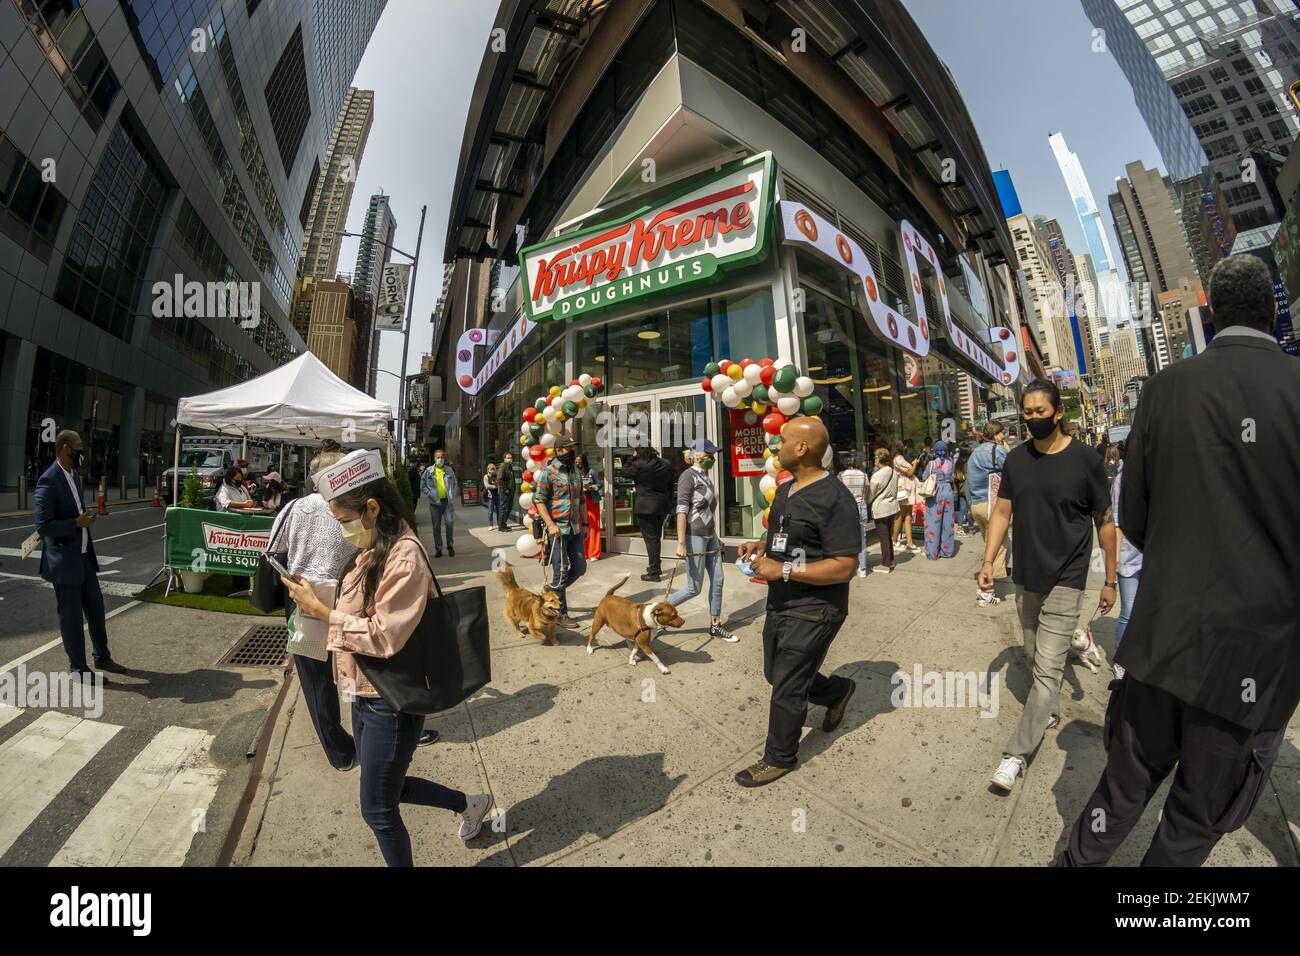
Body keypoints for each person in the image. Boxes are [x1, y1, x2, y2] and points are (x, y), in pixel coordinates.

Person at [1054, 255, 1300, 867]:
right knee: (1194, 820)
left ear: (1210, 313)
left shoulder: (1164, 389)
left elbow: (1131, 516)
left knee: (1122, 785)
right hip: (1258, 657)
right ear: (1274, 310)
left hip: (1165, 636)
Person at [282, 450, 491, 865]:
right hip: (365, 689)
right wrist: (318, 597)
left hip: (390, 700)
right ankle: (470, 803)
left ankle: (471, 804)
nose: (341, 529)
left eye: (342, 519)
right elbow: (361, 609)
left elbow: (383, 635)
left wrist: (325, 612)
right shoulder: (374, 546)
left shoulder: (404, 554)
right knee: (385, 790)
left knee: (377, 808)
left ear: (372, 508)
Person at [978, 379, 1117, 792]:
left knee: (1048, 667)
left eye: (1040, 411)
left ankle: (1015, 755)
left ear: (1058, 413)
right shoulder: (1016, 461)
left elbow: (1105, 522)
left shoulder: (1085, 461)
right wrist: (988, 562)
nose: (1032, 418)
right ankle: (1048, 707)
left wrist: (1110, 579)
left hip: (1068, 578)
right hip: (1027, 575)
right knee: (1033, 652)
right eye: (1027, 412)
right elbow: (1002, 512)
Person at [734, 417, 859, 787]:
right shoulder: (787, 489)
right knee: (775, 673)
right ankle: (838, 691)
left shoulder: (835, 498)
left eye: (783, 440)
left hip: (817, 609)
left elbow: (845, 566)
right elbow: (783, 537)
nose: (777, 446)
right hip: (781, 602)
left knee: (787, 684)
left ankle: (779, 757)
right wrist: (761, 546)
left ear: (802, 449)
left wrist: (783, 569)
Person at [34, 430, 127, 678]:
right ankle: (78, 668)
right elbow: (43, 526)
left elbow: (76, 511)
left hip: (84, 557)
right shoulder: (48, 480)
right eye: (78, 447)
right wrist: (76, 523)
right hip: (64, 562)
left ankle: (102, 657)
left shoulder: (74, 475)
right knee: (72, 618)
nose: (82, 451)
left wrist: (83, 519)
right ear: (66, 449)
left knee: (96, 609)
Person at [668, 439, 736, 642]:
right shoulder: (687, 476)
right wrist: (681, 542)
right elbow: (681, 510)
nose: (713, 458)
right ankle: (656, 613)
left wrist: (716, 536)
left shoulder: (706, 477)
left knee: (719, 580)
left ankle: (715, 625)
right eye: (710, 454)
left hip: (709, 536)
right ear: (697, 455)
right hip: (693, 535)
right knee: (693, 588)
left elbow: (707, 511)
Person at [533, 434, 587, 628]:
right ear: (559, 451)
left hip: (575, 529)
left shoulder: (575, 471)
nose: (572, 452)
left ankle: (553, 592)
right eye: (569, 448)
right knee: (561, 571)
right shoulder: (548, 472)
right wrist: (550, 524)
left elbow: (580, 499)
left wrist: (586, 523)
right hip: (558, 531)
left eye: (573, 448)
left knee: (580, 568)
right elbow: (539, 501)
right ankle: (561, 614)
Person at [1107, 458, 1142, 682]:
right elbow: (1116, 522)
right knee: (1129, 610)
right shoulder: (1123, 480)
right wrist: (1115, 557)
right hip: (1130, 557)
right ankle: (1121, 658)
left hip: (1157, 557)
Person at [967, 422, 1009, 608]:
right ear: (995, 434)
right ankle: (987, 590)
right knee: (999, 545)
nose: (1003, 437)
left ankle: (984, 584)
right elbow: (1012, 470)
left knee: (989, 545)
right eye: (1001, 434)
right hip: (992, 504)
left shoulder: (975, 453)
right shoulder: (996, 451)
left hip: (977, 505)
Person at [620, 446, 674, 582]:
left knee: (651, 539)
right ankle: (656, 566)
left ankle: (654, 572)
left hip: (646, 507)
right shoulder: (666, 464)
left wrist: (632, 457)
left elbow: (624, 471)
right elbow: (670, 485)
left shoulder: (639, 465)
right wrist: (670, 502)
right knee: (656, 537)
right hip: (662, 505)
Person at [919, 440, 957, 560]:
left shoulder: (931, 464)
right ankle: (947, 551)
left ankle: (933, 553)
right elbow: (952, 478)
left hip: (935, 493)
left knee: (933, 522)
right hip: (948, 492)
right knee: (948, 522)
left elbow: (924, 477)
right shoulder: (950, 463)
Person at [867, 447, 900, 574]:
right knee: (888, 535)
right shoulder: (893, 472)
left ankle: (885, 563)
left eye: (875, 457)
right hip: (892, 506)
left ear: (880, 458)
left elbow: (870, 494)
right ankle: (890, 560)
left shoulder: (877, 475)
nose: (874, 459)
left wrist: (867, 502)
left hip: (880, 508)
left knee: (883, 536)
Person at [419, 450, 457, 557]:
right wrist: (430, 493)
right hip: (435, 504)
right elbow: (422, 486)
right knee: (436, 527)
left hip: (447, 503)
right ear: (434, 459)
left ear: (444, 458)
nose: (440, 459)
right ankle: (439, 548)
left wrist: (452, 495)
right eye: (438, 457)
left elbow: (454, 483)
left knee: (449, 524)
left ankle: (450, 546)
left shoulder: (449, 470)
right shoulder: (428, 471)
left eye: (442, 457)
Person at [836, 455, 869, 577]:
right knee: (862, 538)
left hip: (847, 509)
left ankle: (848, 566)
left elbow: (838, 493)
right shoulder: (864, 475)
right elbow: (866, 493)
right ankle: (863, 568)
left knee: (846, 538)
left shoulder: (841, 475)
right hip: (861, 507)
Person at [891, 441, 918, 552]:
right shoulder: (898, 459)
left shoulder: (899, 458)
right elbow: (910, 473)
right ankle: (894, 540)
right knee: (901, 515)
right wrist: (915, 463)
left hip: (907, 489)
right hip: (904, 490)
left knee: (907, 515)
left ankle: (909, 542)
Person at [577, 453, 602, 561]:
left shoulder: (592, 472)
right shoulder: (575, 473)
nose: (578, 464)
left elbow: (599, 484)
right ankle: (585, 552)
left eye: (579, 462)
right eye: (576, 462)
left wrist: (590, 487)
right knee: (583, 526)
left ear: (584, 462)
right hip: (580, 503)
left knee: (593, 526)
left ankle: (594, 553)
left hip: (591, 501)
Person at [496, 453, 517, 531]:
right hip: (504, 492)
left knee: (508, 508)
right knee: (503, 509)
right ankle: (501, 526)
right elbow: (499, 479)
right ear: (504, 459)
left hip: (510, 491)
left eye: (511, 458)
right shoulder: (503, 466)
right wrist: (505, 489)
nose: (510, 459)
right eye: (508, 458)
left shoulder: (509, 467)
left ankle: (504, 524)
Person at [483, 463, 499, 529]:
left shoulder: (497, 475)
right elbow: (487, 486)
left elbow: (500, 484)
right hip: (491, 496)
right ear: (488, 469)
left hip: (498, 495)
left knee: (499, 511)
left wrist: (496, 483)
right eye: (491, 469)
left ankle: (499, 524)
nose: (492, 470)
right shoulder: (486, 476)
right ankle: (490, 525)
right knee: (490, 511)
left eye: (493, 469)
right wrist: (495, 486)